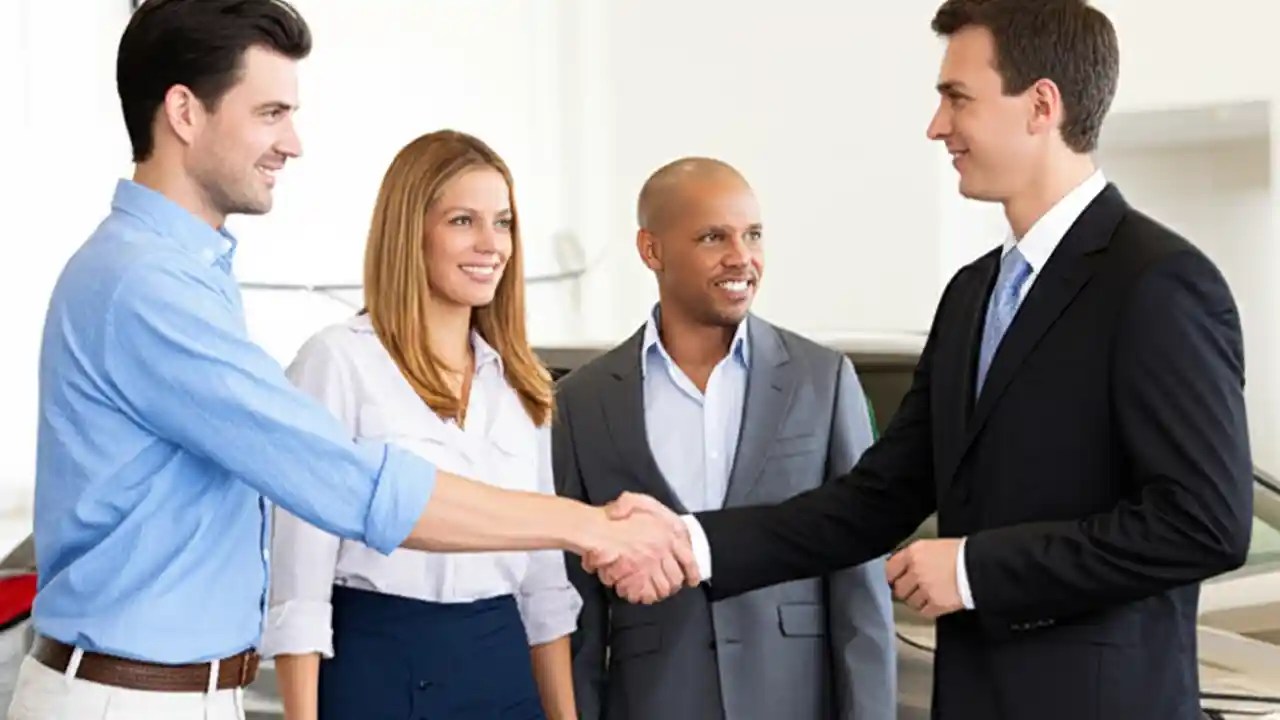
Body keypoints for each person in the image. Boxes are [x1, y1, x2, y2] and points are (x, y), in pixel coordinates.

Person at [12, 2, 692, 718]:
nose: (292, 142)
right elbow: (346, 480)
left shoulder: (184, 276)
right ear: (185, 112)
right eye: (270, 112)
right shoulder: (144, 288)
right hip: (129, 700)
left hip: (183, 691)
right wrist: (586, 525)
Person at [597, 2, 1254, 719]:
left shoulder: (1155, 282)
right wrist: (691, 540)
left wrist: (974, 569)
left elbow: (1204, 524)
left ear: (1041, 106)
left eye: (956, 98)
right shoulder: (973, 294)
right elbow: (878, 496)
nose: (937, 126)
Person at [553, 158, 895, 720]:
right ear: (651, 250)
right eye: (714, 236)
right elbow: (575, 611)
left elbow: (860, 585)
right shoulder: (585, 401)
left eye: (753, 234)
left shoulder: (822, 379)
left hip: (793, 703)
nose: (742, 256)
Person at [262, 130, 581, 720]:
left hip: (502, 666)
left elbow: (543, 586)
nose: (492, 244)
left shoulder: (518, 380)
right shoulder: (338, 361)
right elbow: (299, 585)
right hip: (379, 666)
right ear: (412, 231)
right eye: (464, 221)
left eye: (504, 222)